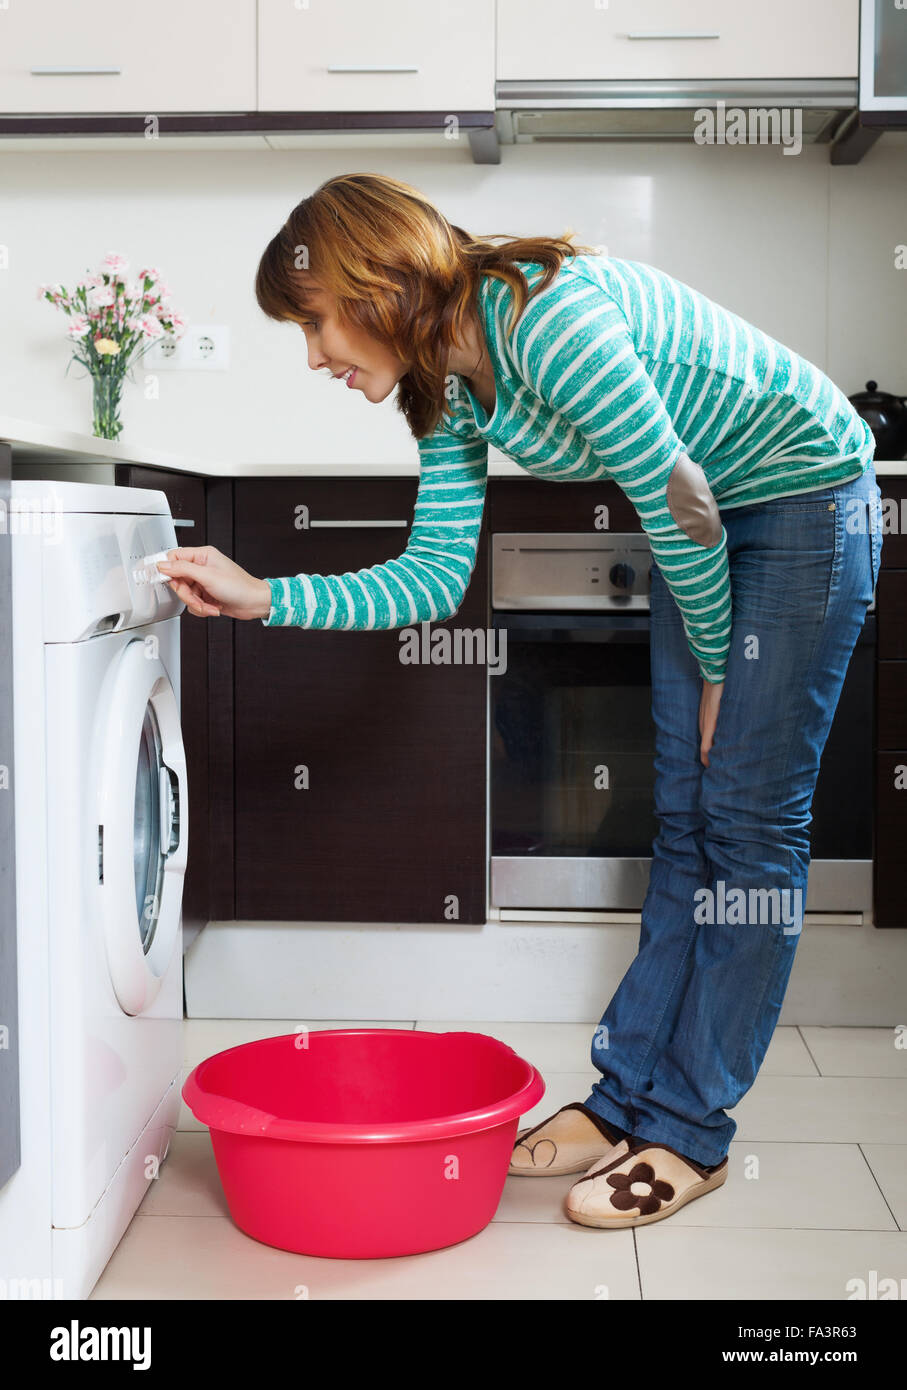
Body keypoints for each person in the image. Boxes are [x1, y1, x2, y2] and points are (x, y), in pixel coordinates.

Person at [157, 172, 883, 1231]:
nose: (314, 356)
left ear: (373, 280)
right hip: (709, 526)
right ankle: (628, 1096)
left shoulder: (546, 316)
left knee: (746, 819)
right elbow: (431, 575)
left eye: (313, 324)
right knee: (682, 817)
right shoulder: (442, 385)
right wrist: (262, 595)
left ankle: (688, 1128)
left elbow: (674, 497)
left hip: (803, 500)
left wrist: (722, 670)